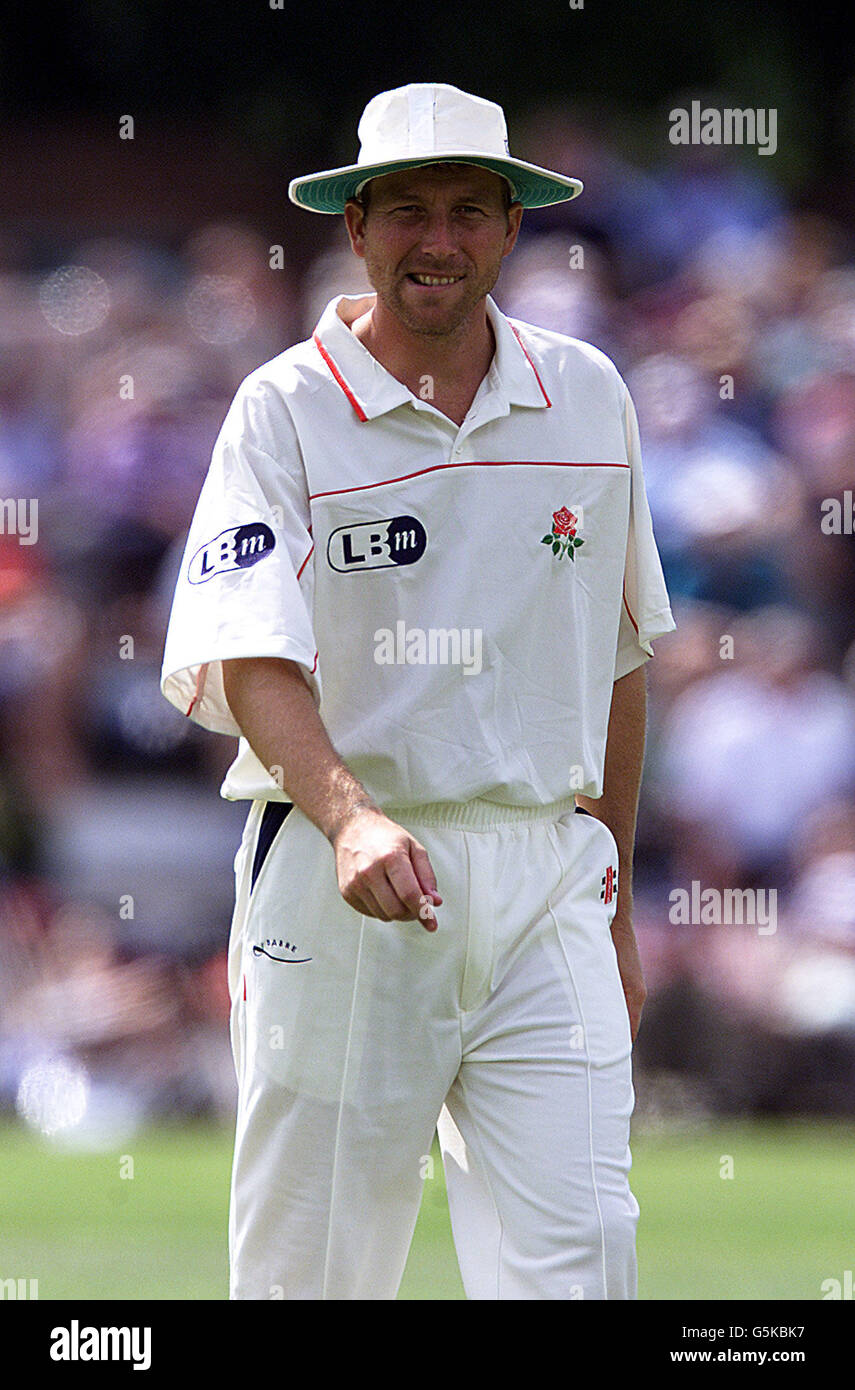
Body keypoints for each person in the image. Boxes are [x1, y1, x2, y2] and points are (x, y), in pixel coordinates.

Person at [160, 82, 675, 1301]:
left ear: (508, 229)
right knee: (316, 1273)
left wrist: (613, 901)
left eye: (464, 211)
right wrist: (349, 816)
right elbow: (248, 649)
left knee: (585, 1262)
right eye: (405, 212)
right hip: (344, 884)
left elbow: (619, 654)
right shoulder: (282, 408)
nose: (435, 241)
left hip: (548, 872)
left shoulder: (591, 394)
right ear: (357, 229)